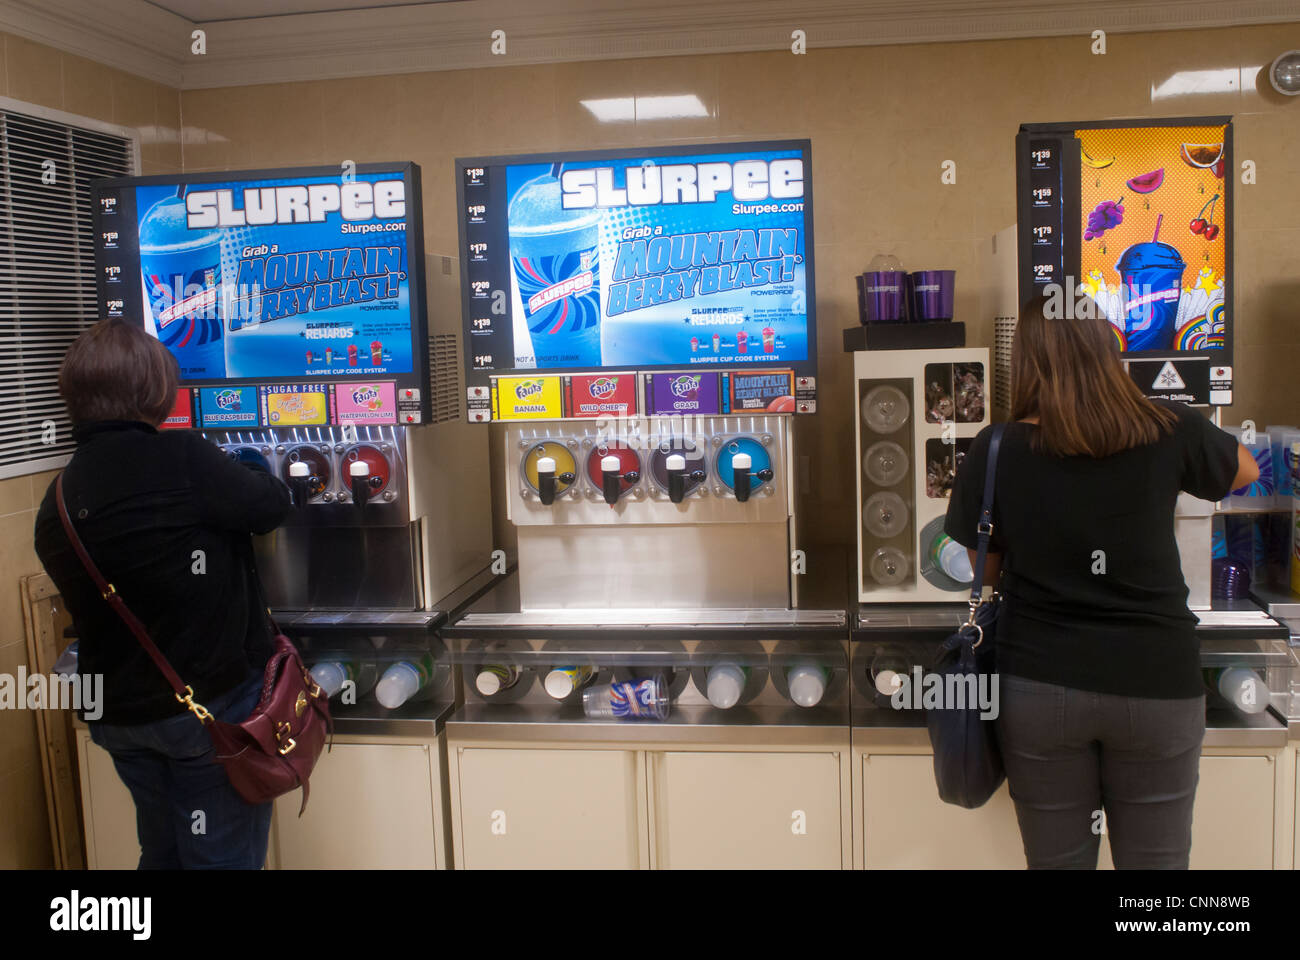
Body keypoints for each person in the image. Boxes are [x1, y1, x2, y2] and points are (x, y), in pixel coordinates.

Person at [944, 296, 1259, 870]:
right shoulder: (1170, 425)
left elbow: (984, 570)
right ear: (1107, 350)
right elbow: (1245, 470)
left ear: (1029, 361)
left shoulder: (995, 449)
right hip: (1156, 682)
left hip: (1040, 688)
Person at [34, 319, 292, 869]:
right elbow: (271, 506)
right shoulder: (184, 459)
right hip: (204, 713)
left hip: (118, 717)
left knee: (163, 850)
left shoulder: (55, 500)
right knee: (219, 857)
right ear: (155, 392)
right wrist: (248, 467)